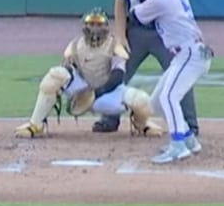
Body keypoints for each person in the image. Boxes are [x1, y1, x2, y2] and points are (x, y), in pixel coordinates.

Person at [98, 0, 201, 145]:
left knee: (178, 76)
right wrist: (120, 36)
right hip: (135, 33)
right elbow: (119, 7)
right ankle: (109, 118)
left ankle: (189, 124)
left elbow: (142, 10)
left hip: (162, 35)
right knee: (118, 72)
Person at [12, 9, 162, 139]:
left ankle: (142, 124)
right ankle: (35, 125)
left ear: (105, 26)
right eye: (91, 24)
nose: (94, 28)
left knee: (142, 100)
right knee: (55, 75)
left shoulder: (114, 45)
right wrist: (75, 88)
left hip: (106, 93)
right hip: (81, 89)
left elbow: (117, 76)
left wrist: (96, 93)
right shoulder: (75, 45)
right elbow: (67, 68)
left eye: (98, 24)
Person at [128, 0, 212, 164]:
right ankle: (188, 139)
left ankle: (178, 146)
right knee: (156, 102)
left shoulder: (160, 0)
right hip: (187, 53)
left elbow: (135, 17)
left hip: (191, 54)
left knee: (168, 97)